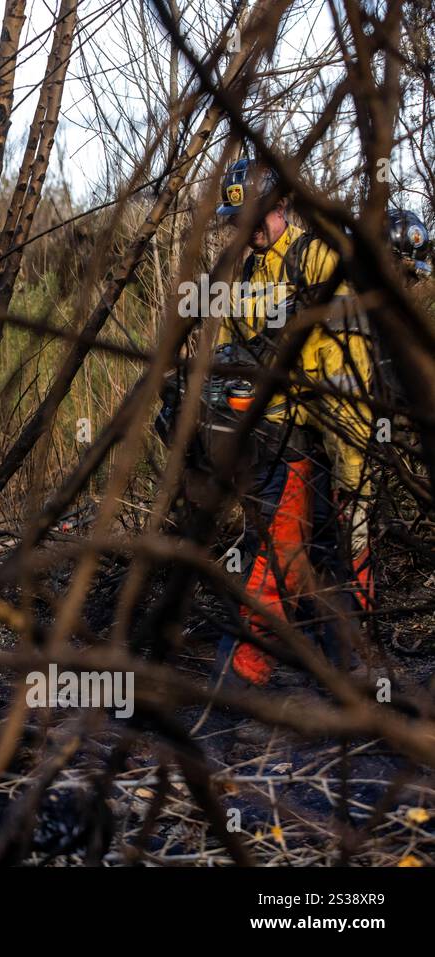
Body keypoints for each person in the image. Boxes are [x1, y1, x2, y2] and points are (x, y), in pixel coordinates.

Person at [208, 159, 375, 689]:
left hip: (315, 433)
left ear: (280, 207)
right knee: (305, 556)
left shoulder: (317, 261)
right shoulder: (250, 269)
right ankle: (345, 663)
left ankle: (239, 679)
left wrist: (354, 464)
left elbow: (346, 367)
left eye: (255, 217)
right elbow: (229, 349)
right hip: (265, 435)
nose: (247, 230)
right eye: (238, 220)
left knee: (283, 556)